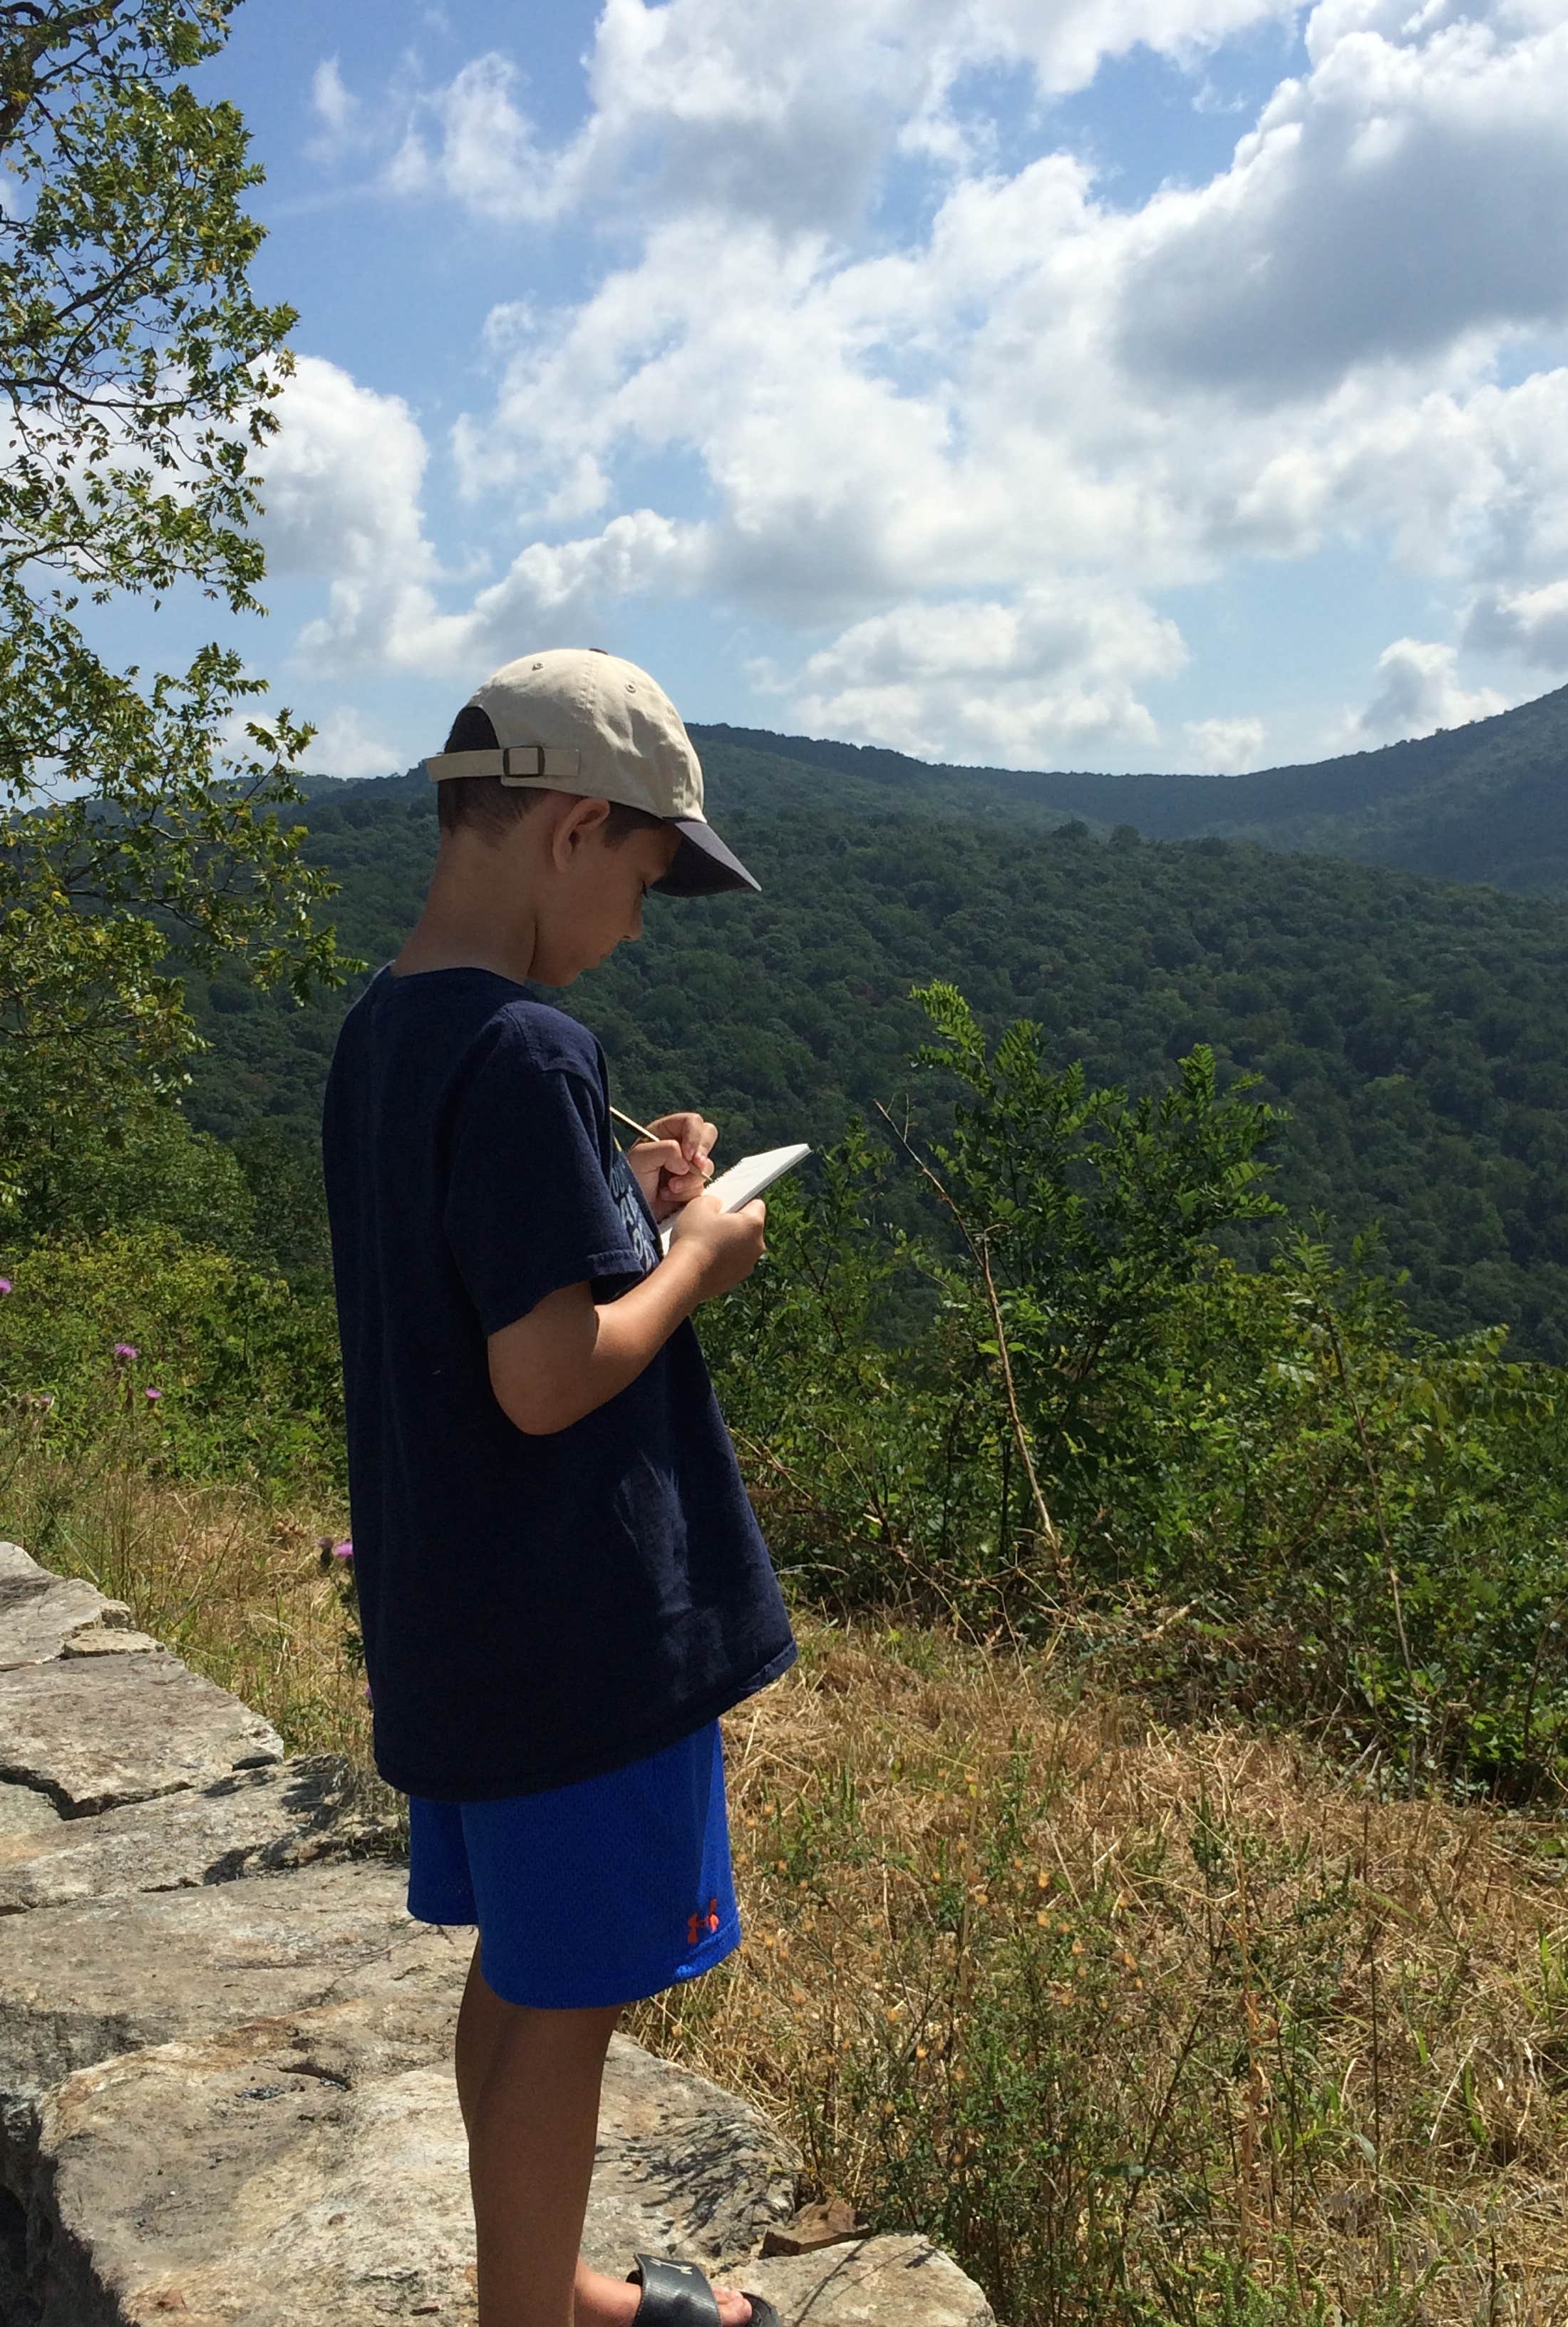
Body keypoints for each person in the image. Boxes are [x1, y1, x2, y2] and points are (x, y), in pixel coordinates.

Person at [321, 647, 794, 2327]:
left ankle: (543, 2285)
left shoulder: (391, 1028)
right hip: (576, 1628)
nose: (641, 925)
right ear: (576, 827)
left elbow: (484, 1297)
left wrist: (628, 1205)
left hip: (458, 1607)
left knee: (520, 1976)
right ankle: (531, 2318)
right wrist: (697, 1257)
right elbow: (546, 1376)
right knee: (573, 1999)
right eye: (648, 879)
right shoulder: (526, 1047)